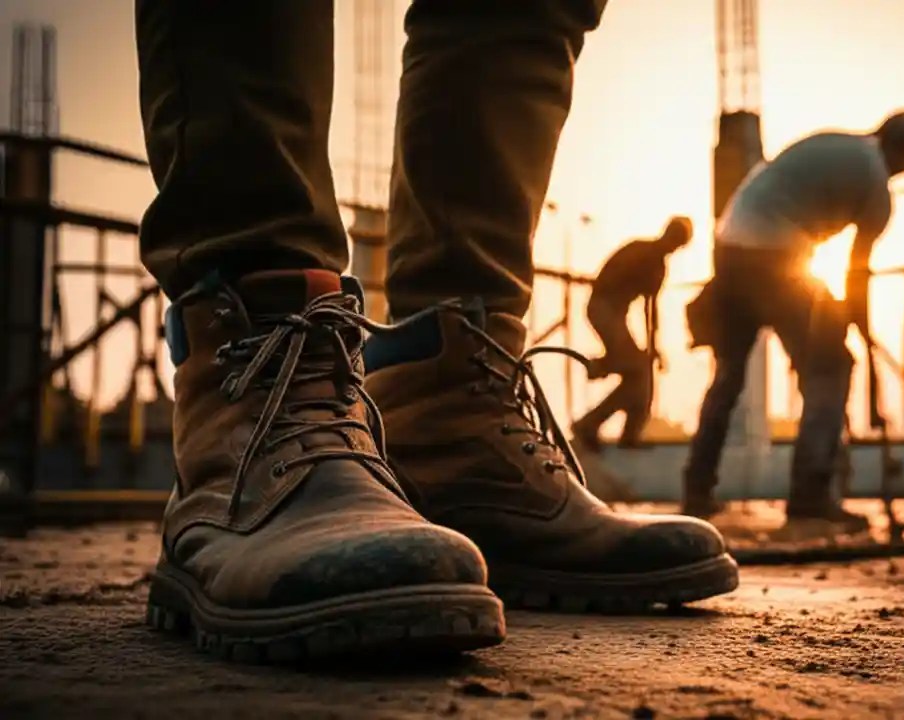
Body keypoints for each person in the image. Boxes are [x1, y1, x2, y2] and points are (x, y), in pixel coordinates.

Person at [136, 0, 736, 664]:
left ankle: (455, 420)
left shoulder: (654, 258)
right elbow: (624, 302)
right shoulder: (643, 254)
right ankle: (252, 362)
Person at [682, 112, 904, 521]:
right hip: (777, 257)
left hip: (728, 248)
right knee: (831, 366)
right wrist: (862, 332)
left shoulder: (833, 140)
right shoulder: (876, 186)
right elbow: (858, 273)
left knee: (728, 375)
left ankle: (696, 491)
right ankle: (810, 496)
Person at [572, 217, 692, 451]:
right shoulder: (641, 251)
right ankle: (600, 369)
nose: (672, 248)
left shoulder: (657, 265)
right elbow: (610, 282)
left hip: (614, 314)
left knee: (641, 377)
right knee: (637, 369)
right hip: (604, 309)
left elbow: (650, 309)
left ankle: (625, 432)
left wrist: (652, 348)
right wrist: (628, 355)